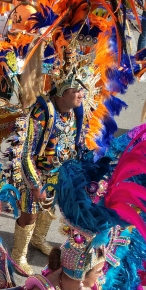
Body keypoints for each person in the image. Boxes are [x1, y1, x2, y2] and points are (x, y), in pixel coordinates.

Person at [10, 81, 87, 275]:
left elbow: (78, 143)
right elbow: (26, 154)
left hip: (59, 175)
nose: (81, 95)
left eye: (81, 91)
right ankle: (18, 254)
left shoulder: (76, 113)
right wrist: (35, 185)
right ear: (61, 93)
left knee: (50, 208)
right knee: (30, 215)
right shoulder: (40, 114)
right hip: (35, 174)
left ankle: (38, 239)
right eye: (76, 91)